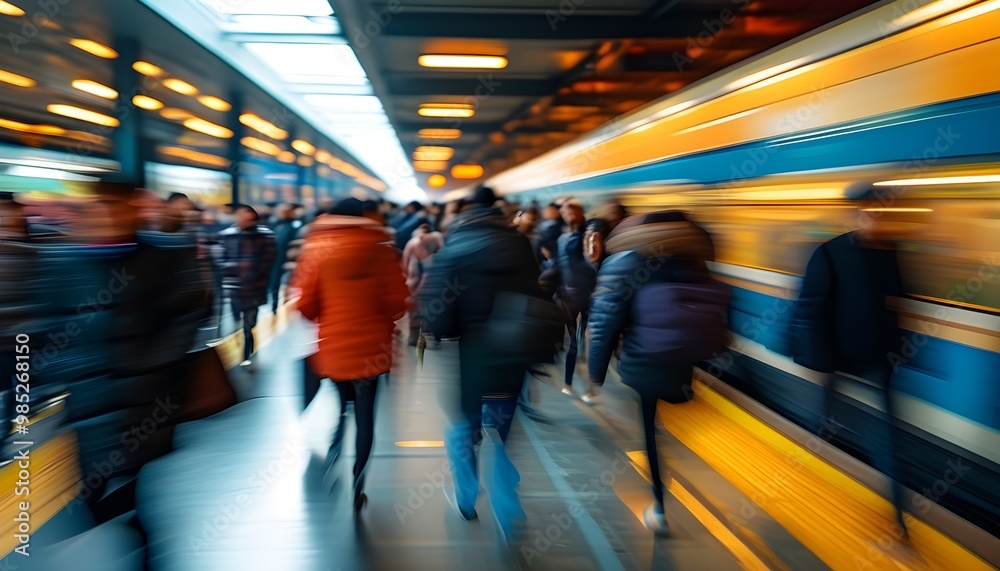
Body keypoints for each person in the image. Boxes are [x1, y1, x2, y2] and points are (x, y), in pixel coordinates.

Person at [419, 186, 557, 535]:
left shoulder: (456, 246)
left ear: (465, 214)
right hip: (515, 348)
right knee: (505, 428)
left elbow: (438, 311)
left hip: (474, 350)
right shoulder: (519, 243)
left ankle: (466, 495)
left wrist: (442, 331)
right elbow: (535, 292)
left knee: (466, 424)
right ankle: (506, 503)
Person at [587, 211, 727, 535]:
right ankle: (670, 447)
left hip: (646, 357)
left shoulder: (629, 261)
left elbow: (607, 317)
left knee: (649, 429)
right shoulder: (694, 260)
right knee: (668, 411)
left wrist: (596, 371)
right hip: (682, 358)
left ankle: (660, 505)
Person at [789, 182, 917, 536]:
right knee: (822, 423)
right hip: (838, 357)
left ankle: (898, 519)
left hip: (877, 360)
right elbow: (810, 309)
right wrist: (818, 357)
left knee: (884, 439)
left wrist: (901, 349)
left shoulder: (888, 251)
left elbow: (897, 302)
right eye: (870, 211)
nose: (875, 218)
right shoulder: (831, 251)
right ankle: (806, 484)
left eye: (880, 211)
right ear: (855, 215)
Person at [292, 197, 409, 511]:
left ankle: (334, 451)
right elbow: (398, 303)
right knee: (366, 414)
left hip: (334, 348)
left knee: (342, 405)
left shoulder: (317, 249)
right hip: (373, 351)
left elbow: (304, 305)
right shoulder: (382, 249)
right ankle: (359, 476)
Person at [218, 204, 276, 370]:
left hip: (254, 289)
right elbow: (221, 259)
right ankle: (241, 350)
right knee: (238, 321)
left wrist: (259, 278)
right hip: (235, 288)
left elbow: (269, 261)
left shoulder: (264, 236)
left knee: (249, 325)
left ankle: (247, 354)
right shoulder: (228, 235)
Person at [553, 198, 598, 401]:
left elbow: (593, 259)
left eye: (572, 209)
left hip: (588, 295)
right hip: (569, 296)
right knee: (573, 342)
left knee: (585, 342)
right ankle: (568, 383)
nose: (568, 213)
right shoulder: (563, 238)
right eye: (565, 210)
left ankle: (588, 387)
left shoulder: (588, 235)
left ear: (580, 212)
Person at [268, 203, 297, 313]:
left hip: (284, 260)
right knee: (275, 284)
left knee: (284, 284)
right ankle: (275, 307)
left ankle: (280, 307)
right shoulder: (276, 225)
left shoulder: (290, 226)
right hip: (277, 259)